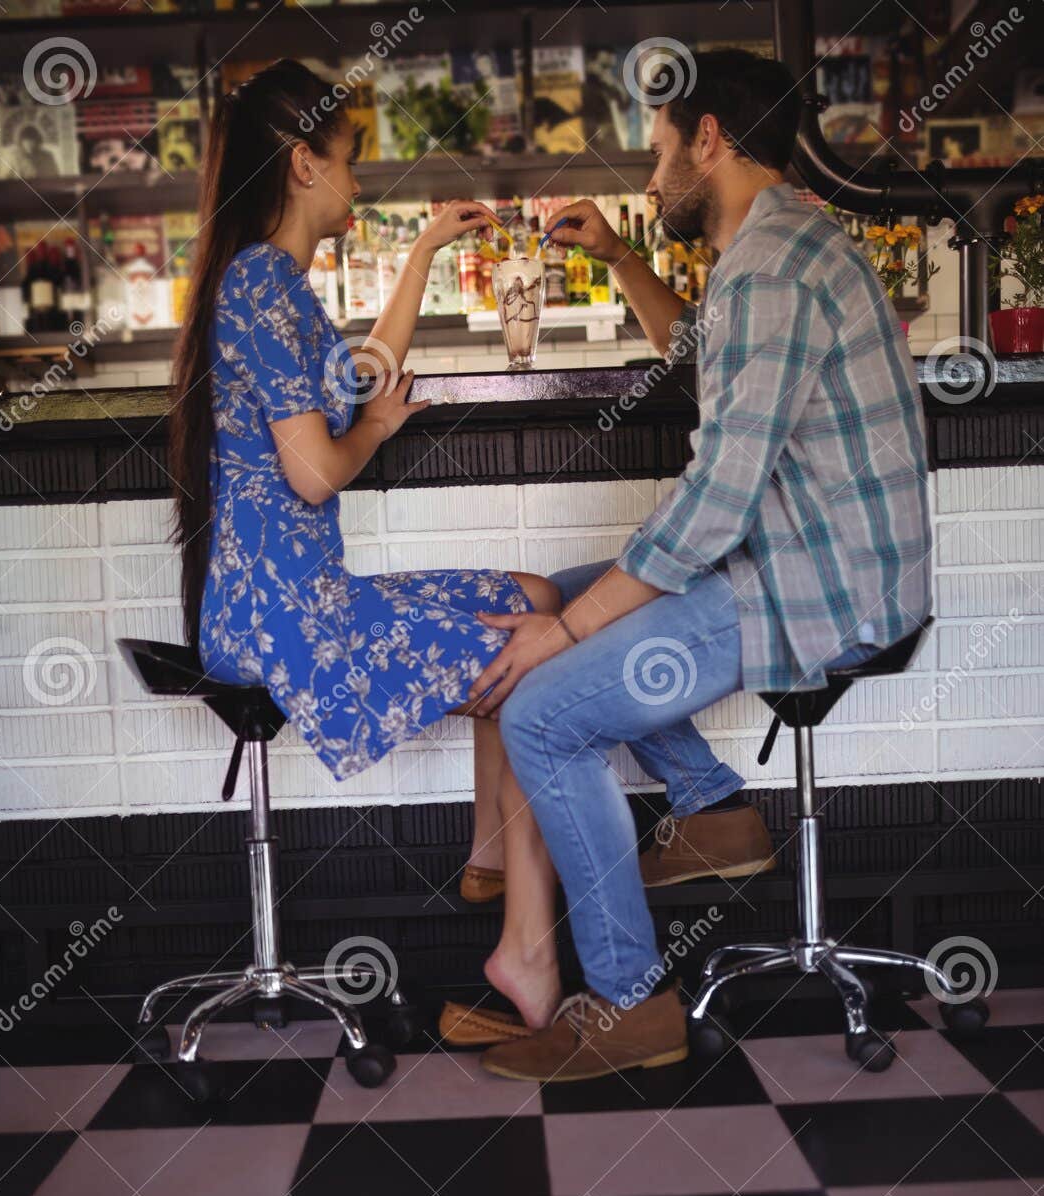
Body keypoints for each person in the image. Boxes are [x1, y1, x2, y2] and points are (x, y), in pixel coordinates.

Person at [465, 48, 932, 1083]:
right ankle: (712, 809)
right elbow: (707, 366)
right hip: (811, 561)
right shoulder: (779, 245)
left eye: (660, 150)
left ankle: (629, 1003)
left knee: (544, 711)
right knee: (594, 593)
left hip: (817, 588)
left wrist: (565, 634)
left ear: (708, 138)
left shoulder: (767, 268)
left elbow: (715, 503)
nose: (648, 181)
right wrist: (618, 262)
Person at [169, 59, 561, 1010]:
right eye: (348, 158)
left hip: (301, 599)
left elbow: (359, 377)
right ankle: (525, 951)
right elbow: (313, 470)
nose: (358, 179)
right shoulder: (260, 283)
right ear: (303, 164)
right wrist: (377, 431)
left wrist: (423, 250)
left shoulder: (275, 285)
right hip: (283, 622)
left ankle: (487, 860)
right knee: (533, 652)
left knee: (538, 601)